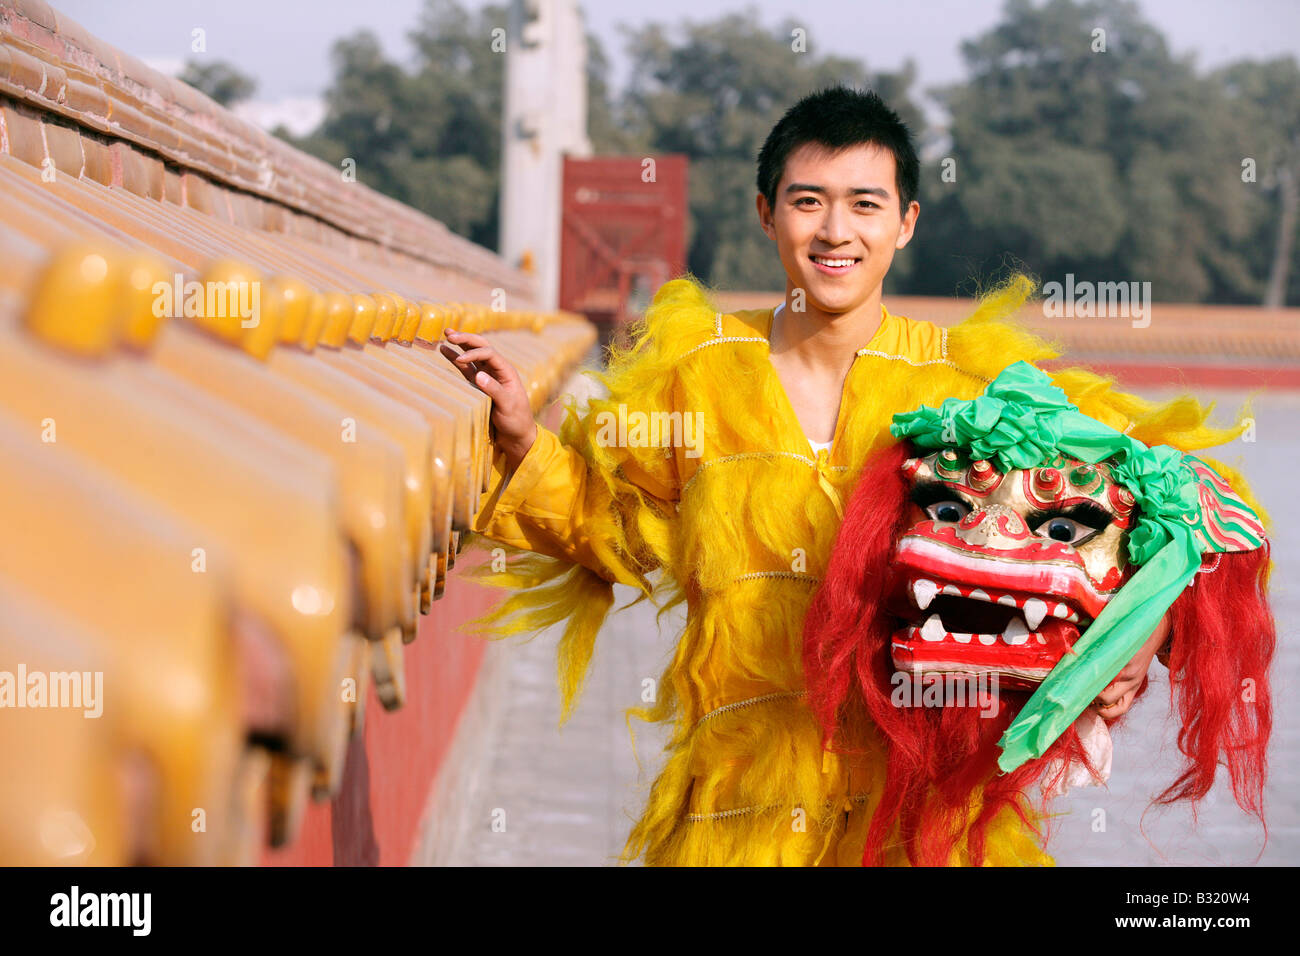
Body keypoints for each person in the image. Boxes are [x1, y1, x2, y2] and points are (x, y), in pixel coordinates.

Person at [438, 87, 1210, 865]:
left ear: (906, 222)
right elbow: (617, 530)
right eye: (808, 201)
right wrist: (523, 441)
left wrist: (1143, 629)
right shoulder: (696, 377)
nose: (835, 231)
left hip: (929, 819)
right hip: (740, 809)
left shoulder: (975, 392)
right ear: (765, 213)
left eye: (865, 204)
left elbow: (1177, 504)